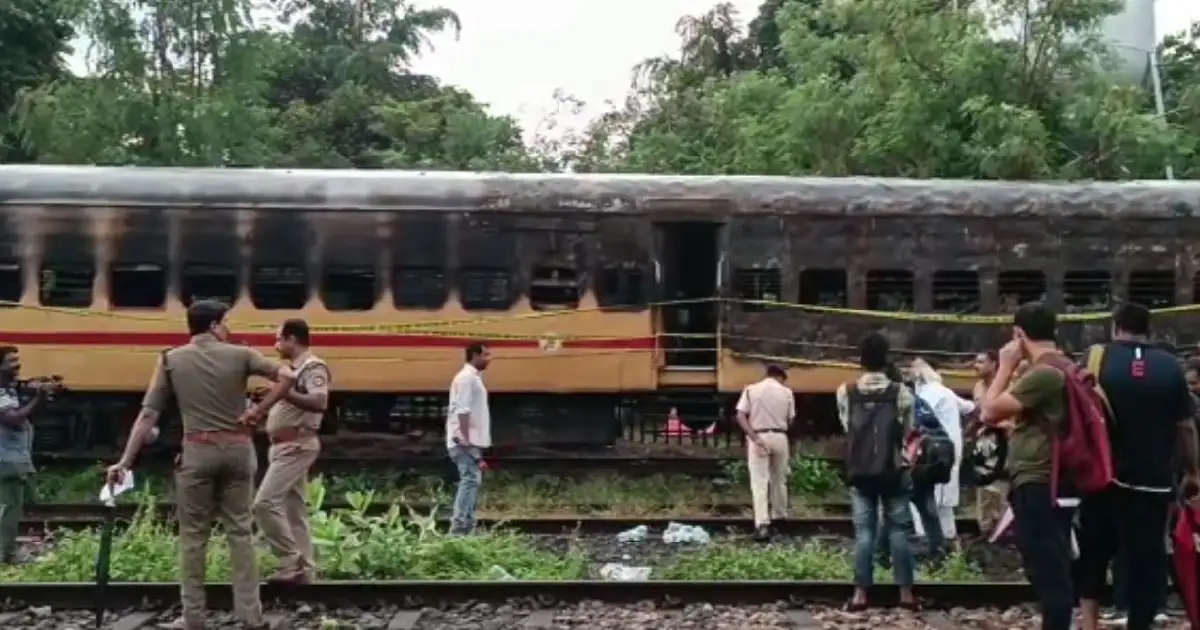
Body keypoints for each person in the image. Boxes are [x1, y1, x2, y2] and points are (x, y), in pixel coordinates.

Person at [106, 300, 297, 630]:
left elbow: (148, 414)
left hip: (197, 452)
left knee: (194, 538)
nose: (228, 328)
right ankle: (250, 616)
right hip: (238, 451)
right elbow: (288, 376)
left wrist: (125, 460)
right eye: (225, 322)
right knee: (240, 532)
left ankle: (194, 617)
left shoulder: (171, 359)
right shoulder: (240, 355)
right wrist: (258, 411)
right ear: (212, 325)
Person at [1074, 303, 1198, 630]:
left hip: (1103, 475)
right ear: (1150, 330)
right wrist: (1193, 471)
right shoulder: (1171, 366)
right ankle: (1139, 624)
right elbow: (1185, 426)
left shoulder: (1096, 358)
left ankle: (1089, 623)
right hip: (1153, 480)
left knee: (1094, 549)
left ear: (1116, 327)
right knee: (1148, 555)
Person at [980, 302, 1075, 630]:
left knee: (1049, 571)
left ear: (1019, 334)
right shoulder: (1063, 366)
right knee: (1051, 565)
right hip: (1051, 479)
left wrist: (1004, 367)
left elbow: (988, 412)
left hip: (1039, 480)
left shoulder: (1045, 374)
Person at [837, 332, 917, 610]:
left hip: (860, 472)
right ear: (886, 359)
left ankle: (861, 594)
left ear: (862, 359)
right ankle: (906, 593)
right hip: (894, 470)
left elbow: (847, 428)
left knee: (864, 533)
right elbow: (908, 431)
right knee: (898, 532)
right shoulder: (902, 392)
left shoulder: (846, 392)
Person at [253, 319, 330, 584]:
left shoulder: (313, 367)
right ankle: (306, 573)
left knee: (264, 503)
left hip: (296, 445)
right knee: (294, 512)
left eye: (279, 340)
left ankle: (290, 560)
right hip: (284, 446)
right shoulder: (293, 370)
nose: (276, 346)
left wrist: (283, 394)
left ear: (292, 339)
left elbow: (319, 402)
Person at [0, 346, 59, 564]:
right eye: (11, 361)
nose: (17, 364)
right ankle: (5, 555)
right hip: (6, 458)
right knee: (10, 508)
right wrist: (39, 398)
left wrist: (39, 397)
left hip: (12, 457)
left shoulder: (8, 389)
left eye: (17, 359)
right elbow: (13, 419)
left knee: (11, 505)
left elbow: (24, 417)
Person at [908, 358, 973, 546]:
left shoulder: (928, 394)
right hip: (951, 449)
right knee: (945, 500)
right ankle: (949, 537)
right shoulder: (946, 392)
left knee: (926, 497)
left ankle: (927, 540)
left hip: (933, 451)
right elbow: (969, 408)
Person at [733, 363, 796, 541]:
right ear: (781, 376)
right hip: (780, 437)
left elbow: (740, 415)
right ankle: (780, 518)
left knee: (759, 482)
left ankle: (762, 525)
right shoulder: (787, 393)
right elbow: (791, 419)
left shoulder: (751, 390)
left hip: (759, 437)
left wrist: (754, 437)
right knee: (780, 479)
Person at [447, 341, 492, 535]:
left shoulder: (472, 378)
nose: (489, 359)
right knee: (470, 479)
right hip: (464, 441)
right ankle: (459, 528)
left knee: (472, 479)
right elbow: (462, 409)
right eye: (486, 355)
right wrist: (465, 439)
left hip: (468, 440)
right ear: (475, 355)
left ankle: (465, 525)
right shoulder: (467, 379)